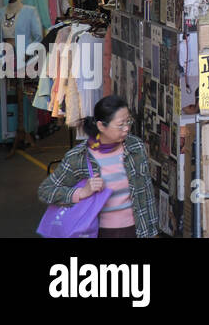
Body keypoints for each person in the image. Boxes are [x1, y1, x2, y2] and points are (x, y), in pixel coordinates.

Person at [37, 96, 158, 238]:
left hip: (137, 230)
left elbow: (146, 192)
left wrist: (152, 231)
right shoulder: (80, 156)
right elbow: (45, 191)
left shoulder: (135, 147)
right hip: (98, 232)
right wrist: (81, 192)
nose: (126, 128)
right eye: (120, 124)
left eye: (128, 121)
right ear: (101, 126)